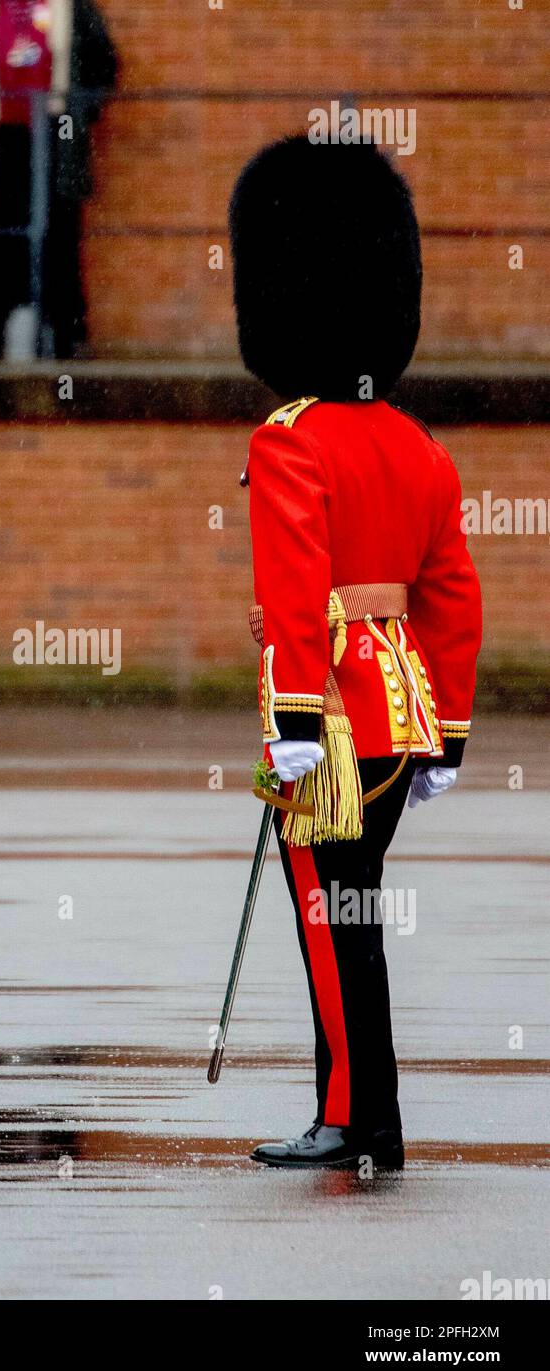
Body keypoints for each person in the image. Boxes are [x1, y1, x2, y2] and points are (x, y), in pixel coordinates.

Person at [228, 137, 483, 1170]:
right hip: (399, 712)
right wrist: (448, 735)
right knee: (356, 914)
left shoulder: (287, 438)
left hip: (329, 719)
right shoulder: (415, 443)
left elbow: (294, 589)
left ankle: (351, 1118)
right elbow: (452, 597)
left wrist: (289, 719)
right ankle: (364, 1111)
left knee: (331, 920)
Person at [0, 0, 116, 358]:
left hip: (55, 137)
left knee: (59, 236)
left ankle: (67, 336)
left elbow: (103, 65)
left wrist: (81, 112)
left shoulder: (73, 9)